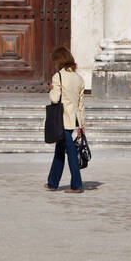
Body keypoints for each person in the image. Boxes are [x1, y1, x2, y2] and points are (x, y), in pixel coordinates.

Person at [46, 46, 86, 193]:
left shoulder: (58, 76)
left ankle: (77, 185)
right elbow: (81, 104)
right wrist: (81, 124)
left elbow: (55, 99)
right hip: (73, 119)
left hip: (61, 119)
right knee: (59, 151)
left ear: (58, 61)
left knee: (71, 153)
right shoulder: (78, 77)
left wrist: (51, 89)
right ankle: (52, 183)